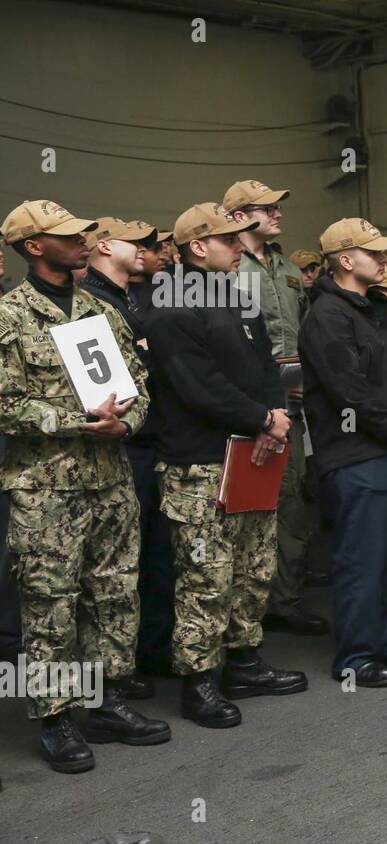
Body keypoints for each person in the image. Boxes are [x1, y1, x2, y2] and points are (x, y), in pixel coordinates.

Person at [1, 200, 169, 772]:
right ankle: (55, 718)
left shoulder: (100, 312)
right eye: (67, 236)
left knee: (115, 594)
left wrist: (129, 421)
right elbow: (5, 405)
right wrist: (75, 417)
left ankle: (106, 702)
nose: (82, 241)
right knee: (50, 603)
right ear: (33, 247)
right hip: (46, 491)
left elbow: (140, 385)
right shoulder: (10, 317)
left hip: (110, 481)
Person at [148, 202, 308, 726]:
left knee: (253, 566)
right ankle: (199, 681)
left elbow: (265, 366)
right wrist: (262, 417)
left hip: (252, 451)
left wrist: (277, 416)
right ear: (198, 246)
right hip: (200, 463)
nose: (242, 247)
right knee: (206, 577)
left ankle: (243, 660)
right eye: (231, 240)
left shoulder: (236, 297)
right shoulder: (171, 303)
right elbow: (197, 386)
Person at [300, 218, 387, 685]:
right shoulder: (327, 317)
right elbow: (348, 390)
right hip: (355, 454)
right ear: (345, 260)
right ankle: (356, 656)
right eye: (374, 254)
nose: (384, 260)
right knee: (362, 558)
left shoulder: (375, 308)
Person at [223, 180, 325, 638]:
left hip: (296, 400)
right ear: (241, 214)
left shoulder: (284, 265)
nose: (278, 214)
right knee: (248, 504)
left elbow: (301, 331)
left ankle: (284, 600)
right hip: (249, 403)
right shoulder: (224, 268)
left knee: (296, 496)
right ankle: (240, 615)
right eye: (268, 208)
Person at [81, 218, 175, 688]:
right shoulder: (89, 304)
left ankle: (151, 650)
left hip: (150, 437)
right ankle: (118, 668)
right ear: (103, 246)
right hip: (121, 446)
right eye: (136, 242)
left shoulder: (134, 297)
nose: (147, 249)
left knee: (155, 554)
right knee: (116, 565)